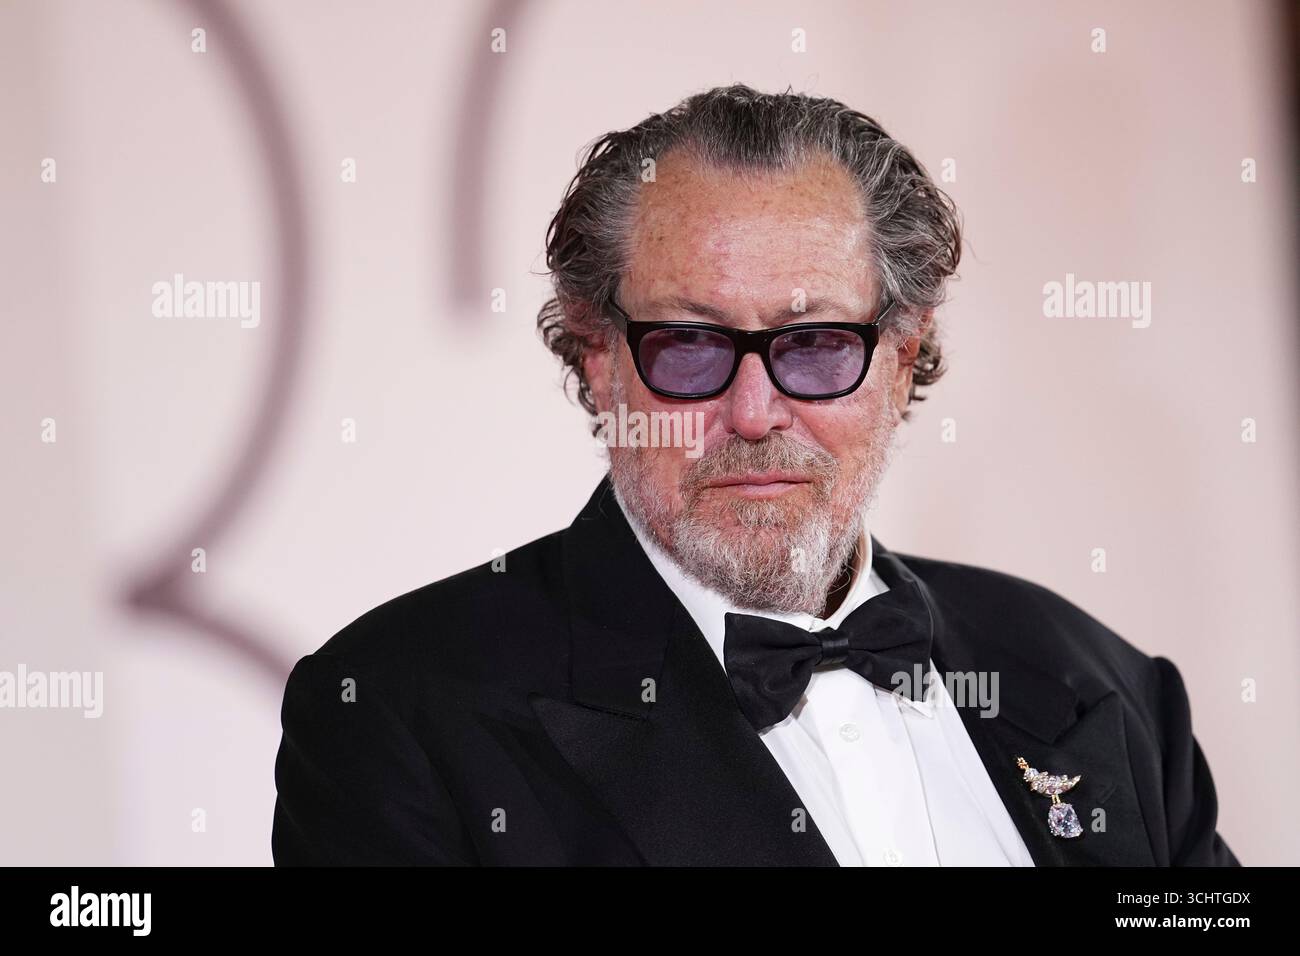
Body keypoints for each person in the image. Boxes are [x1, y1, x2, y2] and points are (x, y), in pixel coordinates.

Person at [271, 84, 1238, 866]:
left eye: (815, 345)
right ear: (598, 357)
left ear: (902, 359)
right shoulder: (401, 714)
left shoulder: (1104, 687)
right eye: (690, 346)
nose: (754, 411)